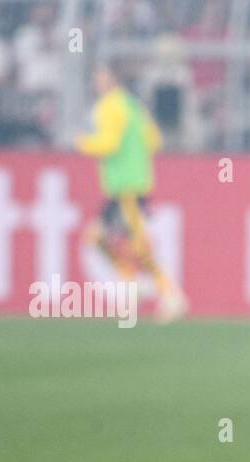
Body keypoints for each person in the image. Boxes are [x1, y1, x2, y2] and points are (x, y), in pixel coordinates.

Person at [76, 64, 186, 322]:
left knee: (135, 243)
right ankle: (132, 282)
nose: (97, 82)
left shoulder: (110, 106)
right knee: (98, 237)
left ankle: (171, 295)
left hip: (126, 186)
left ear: (112, 80)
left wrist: (83, 141)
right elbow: (154, 141)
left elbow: (109, 143)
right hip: (133, 184)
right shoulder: (135, 107)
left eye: (100, 77)